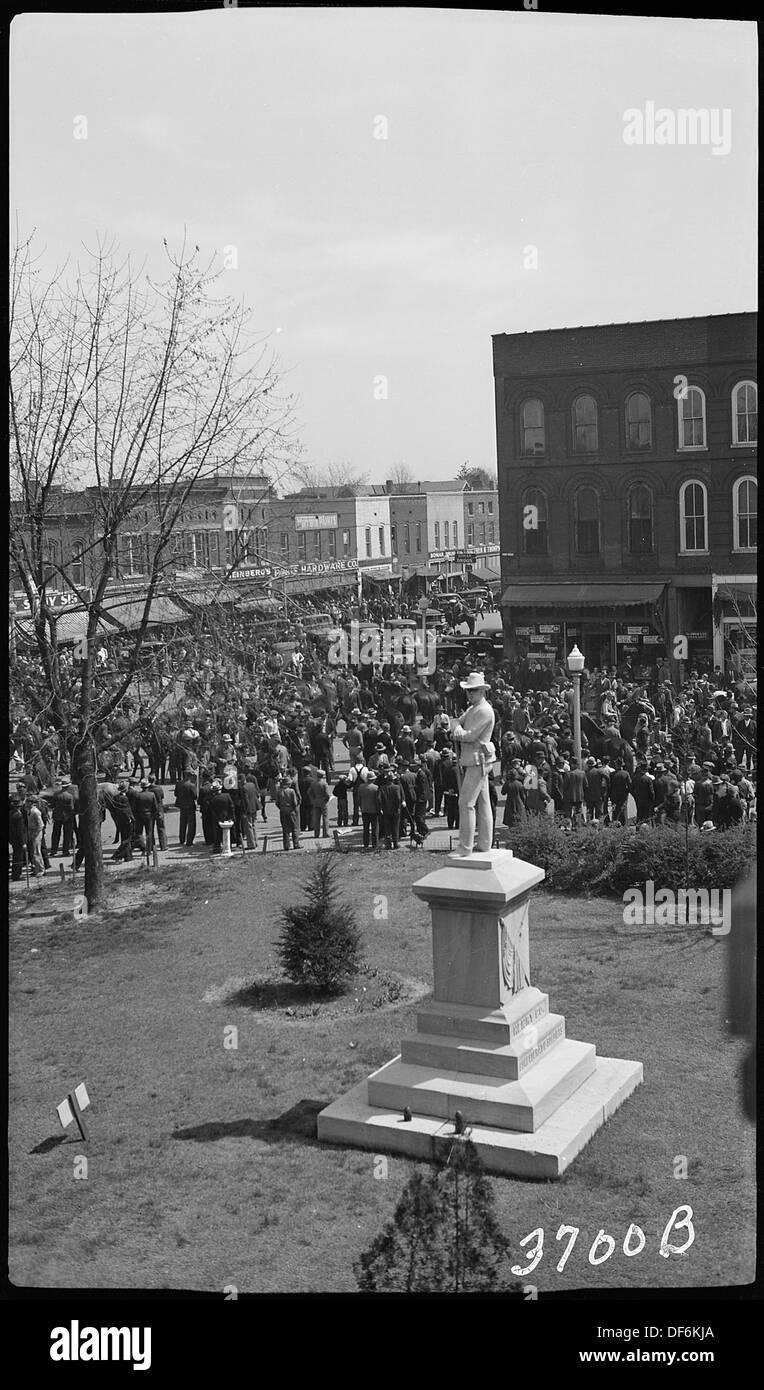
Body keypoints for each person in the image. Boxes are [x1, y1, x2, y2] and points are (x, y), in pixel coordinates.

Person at [452, 672, 496, 856]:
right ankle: (485, 843)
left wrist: (456, 729)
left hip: (477, 760)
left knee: (466, 803)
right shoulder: (473, 708)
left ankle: (465, 847)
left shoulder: (484, 710)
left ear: (482, 691)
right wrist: (456, 726)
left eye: (473, 691)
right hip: (476, 759)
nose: (469, 694)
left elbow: (468, 735)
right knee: (483, 802)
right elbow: (457, 721)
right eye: (468, 691)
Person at [276, 776, 300, 850]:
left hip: (283, 811)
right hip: (291, 810)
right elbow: (295, 803)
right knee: (294, 828)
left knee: (285, 829)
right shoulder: (291, 791)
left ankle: (286, 845)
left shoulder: (279, 792)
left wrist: (281, 807)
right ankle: (296, 844)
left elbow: (277, 803)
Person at [174, 772, 197, 847]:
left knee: (182, 823)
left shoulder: (179, 783)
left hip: (182, 805)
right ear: (190, 776)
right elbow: (195, 796)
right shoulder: (192, 785)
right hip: (190, 806)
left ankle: (182, 839)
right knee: (191, 824)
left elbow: (175, 794)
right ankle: (189, 841)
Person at [358, 770, 380, 850]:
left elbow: (359, 799)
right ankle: (375, 844)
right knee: (374, 829)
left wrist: (361, 807)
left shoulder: (361, 787)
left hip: (364, 809)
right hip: (374, 810)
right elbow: (377, 801)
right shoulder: (375, 788)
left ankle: (366, 844)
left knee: (366, 828)